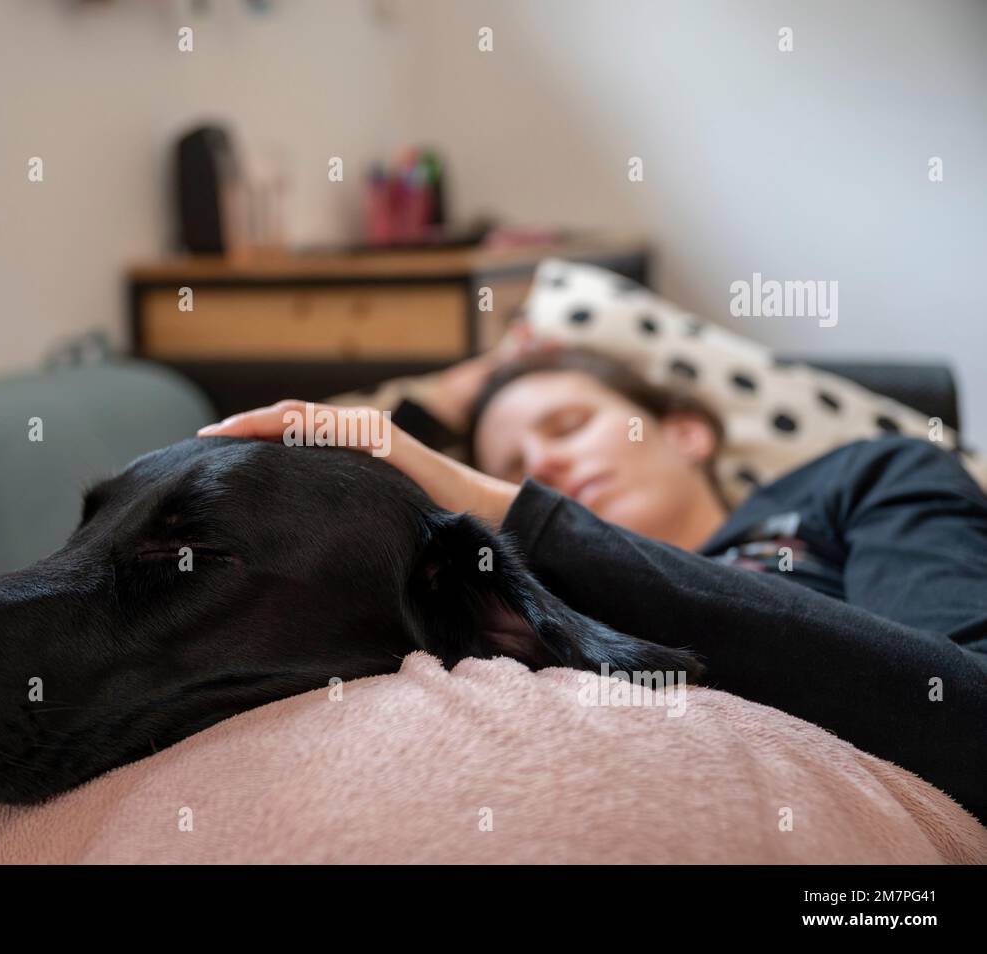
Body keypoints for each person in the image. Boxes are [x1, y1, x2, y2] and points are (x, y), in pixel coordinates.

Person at [198, 343, 987, 823]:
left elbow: (961, 702)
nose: (544, 468)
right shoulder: (511, 590)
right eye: (511, 468)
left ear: (685, 429)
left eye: (570, 427)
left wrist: (503, 503)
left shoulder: (861, 477)